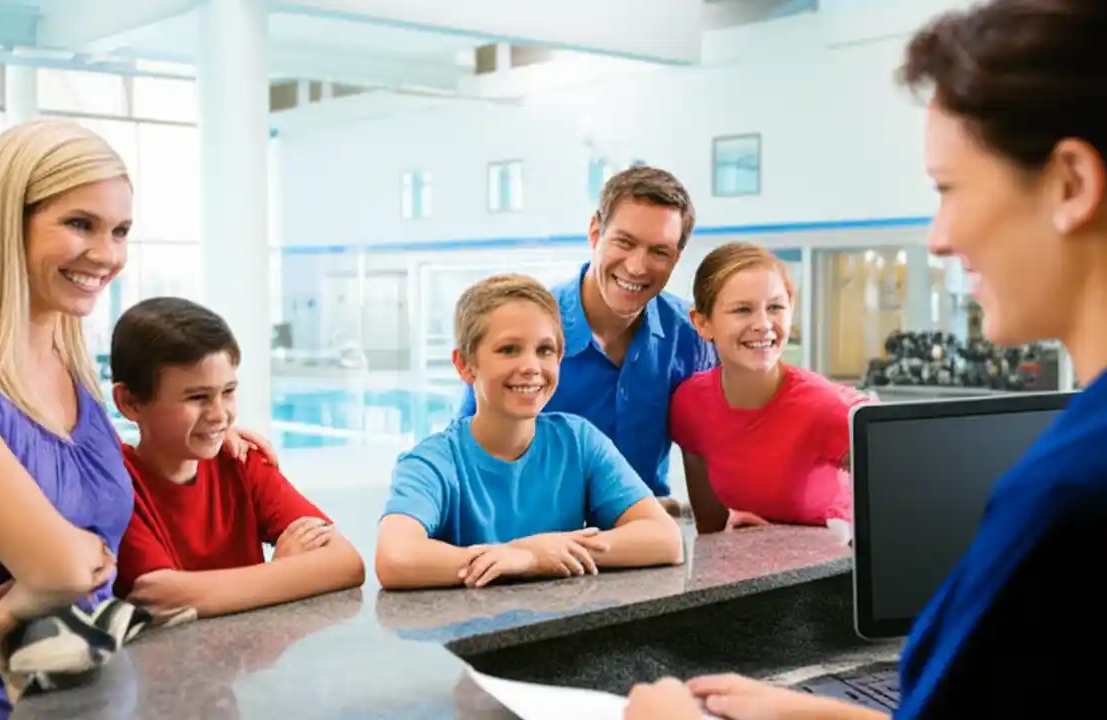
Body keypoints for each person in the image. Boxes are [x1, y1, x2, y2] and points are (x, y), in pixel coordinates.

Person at [624, 0, 1107, 717]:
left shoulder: (1068, 492)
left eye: (949, 189)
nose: (938, 237)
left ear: (1070, 184)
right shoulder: (1075, 457)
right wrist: (809, 711)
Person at [0, 120, 266, 717]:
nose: (107, 255)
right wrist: (39, 587)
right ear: (5, 221)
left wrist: (210, 433)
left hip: (66, 700)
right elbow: (66, 568)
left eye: (120, 231)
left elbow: (77, 512)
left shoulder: (70, 369)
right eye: (79, 224)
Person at [377, 274, 682, 590]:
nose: (531, 366)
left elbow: (665, 539)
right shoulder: (431, 463)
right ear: (465, 365)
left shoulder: (578, 442)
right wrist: (518, 557)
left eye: (545, 350)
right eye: (509, 350)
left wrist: (543, 555)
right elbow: (396, 557)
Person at [458, 167, 717, 516]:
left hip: (643, 540)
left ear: (677, 257)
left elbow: (715, 445)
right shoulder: (522, 327)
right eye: (624, 242)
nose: (638, 267)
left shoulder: (690, 335)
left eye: (659, 251)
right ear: (595, 233)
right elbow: (467, 455)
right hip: (534, 538)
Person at [109, 296, 366, 617]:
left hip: (251, 661)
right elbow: (159, 595)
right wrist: (285, 569)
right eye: (197, 397)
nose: (220, 415)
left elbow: (345, 562)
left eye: (228, 392)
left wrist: (256, 582)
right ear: (130, 403)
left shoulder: (241, 459)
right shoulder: (116, 481)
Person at [668, 242, 869, 539]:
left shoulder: (826, 407)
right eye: (742, 310)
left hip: (834, 571)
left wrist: (789, 538)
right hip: (752, 573)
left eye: (775, 307)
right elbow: (711, 532)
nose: (763, 324)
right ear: (702, 323)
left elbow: (902, 495)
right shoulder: (690, 405)